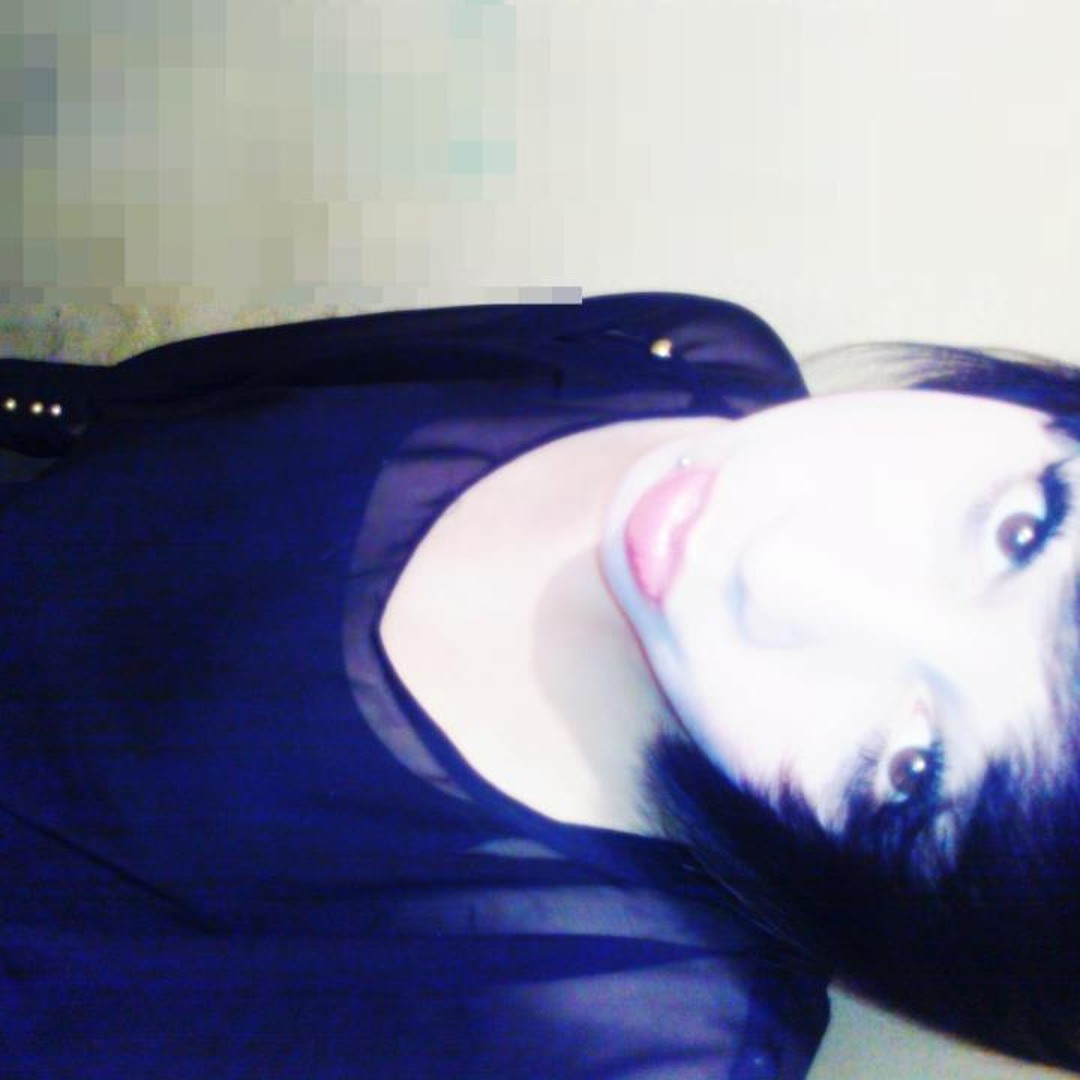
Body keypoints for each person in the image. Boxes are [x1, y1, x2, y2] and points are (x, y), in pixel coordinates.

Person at [0, 293, 1075, 1077]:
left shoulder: (615, 1039)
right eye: (1023, 529)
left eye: (911, 770)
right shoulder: (694, 356)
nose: (782, 573)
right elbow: (166, 409)